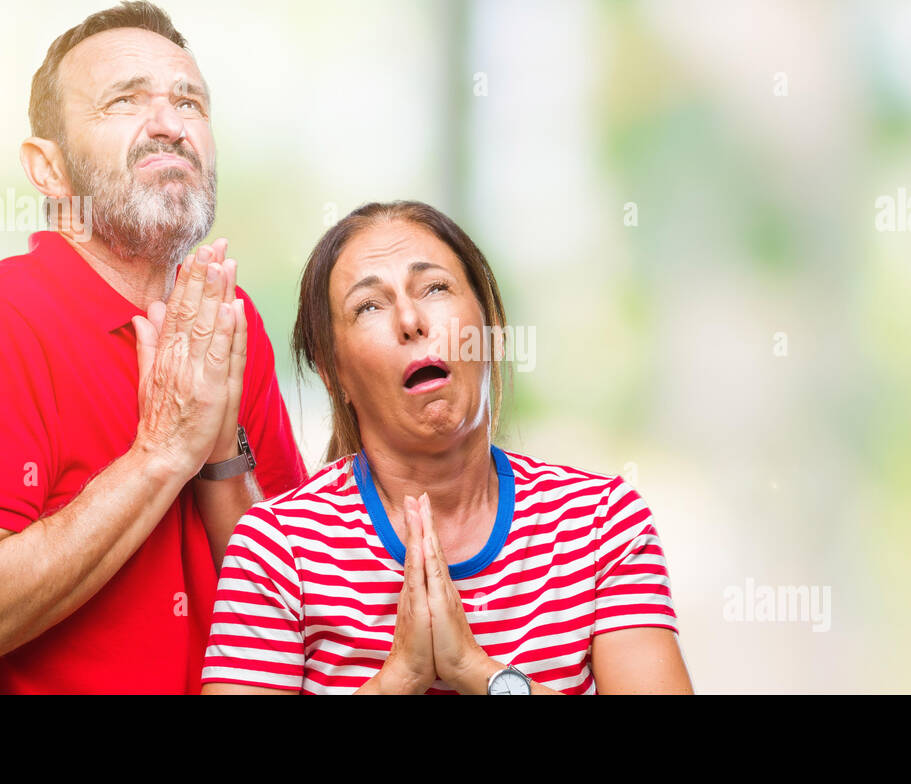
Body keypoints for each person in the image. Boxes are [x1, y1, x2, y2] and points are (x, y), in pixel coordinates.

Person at [0, 1, 306, 693]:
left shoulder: (229, 320)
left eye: (189, 102)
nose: (170, 125)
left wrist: (219, 457)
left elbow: (299, 602)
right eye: (124, 100)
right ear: (48, 169)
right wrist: (160, 454)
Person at [201, 201, 691, 694]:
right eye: (369, 305)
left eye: (435, 287)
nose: (411, 320)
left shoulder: (602, 523)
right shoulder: (277, 547)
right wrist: (402, 677)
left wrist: (477, 671)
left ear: (490, 328)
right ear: (336, 375)